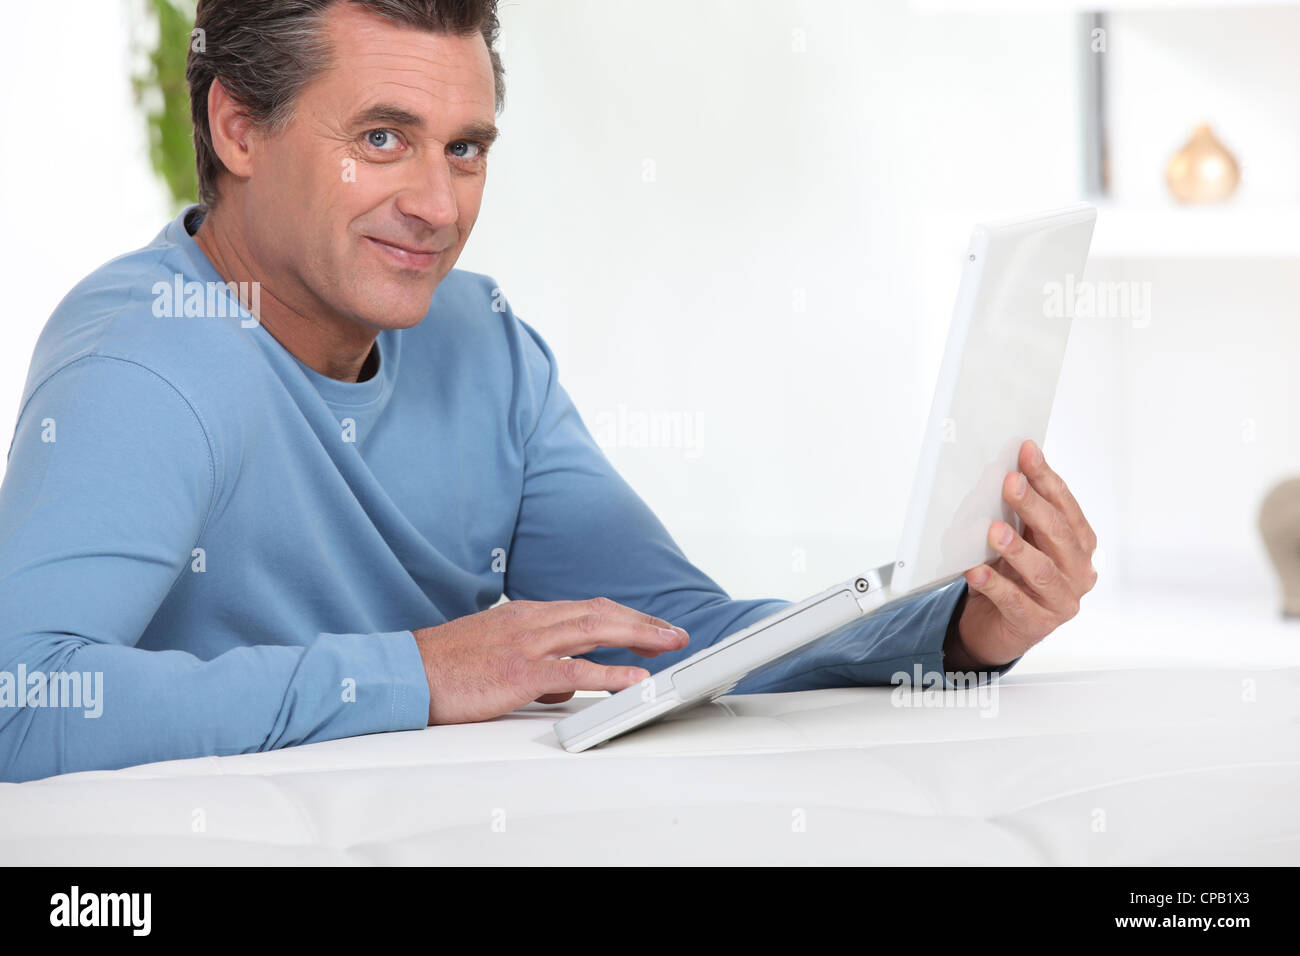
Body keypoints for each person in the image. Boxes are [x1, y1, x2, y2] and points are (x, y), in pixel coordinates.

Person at [0, 0, 1097, 783]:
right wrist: (418, 671)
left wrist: (952, 629)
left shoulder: (481, 343)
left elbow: (676, 632)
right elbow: (19, 701)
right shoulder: (147, 363)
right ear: (240, 127)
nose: (437, 203)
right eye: (381, 139)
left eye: (465, 147)